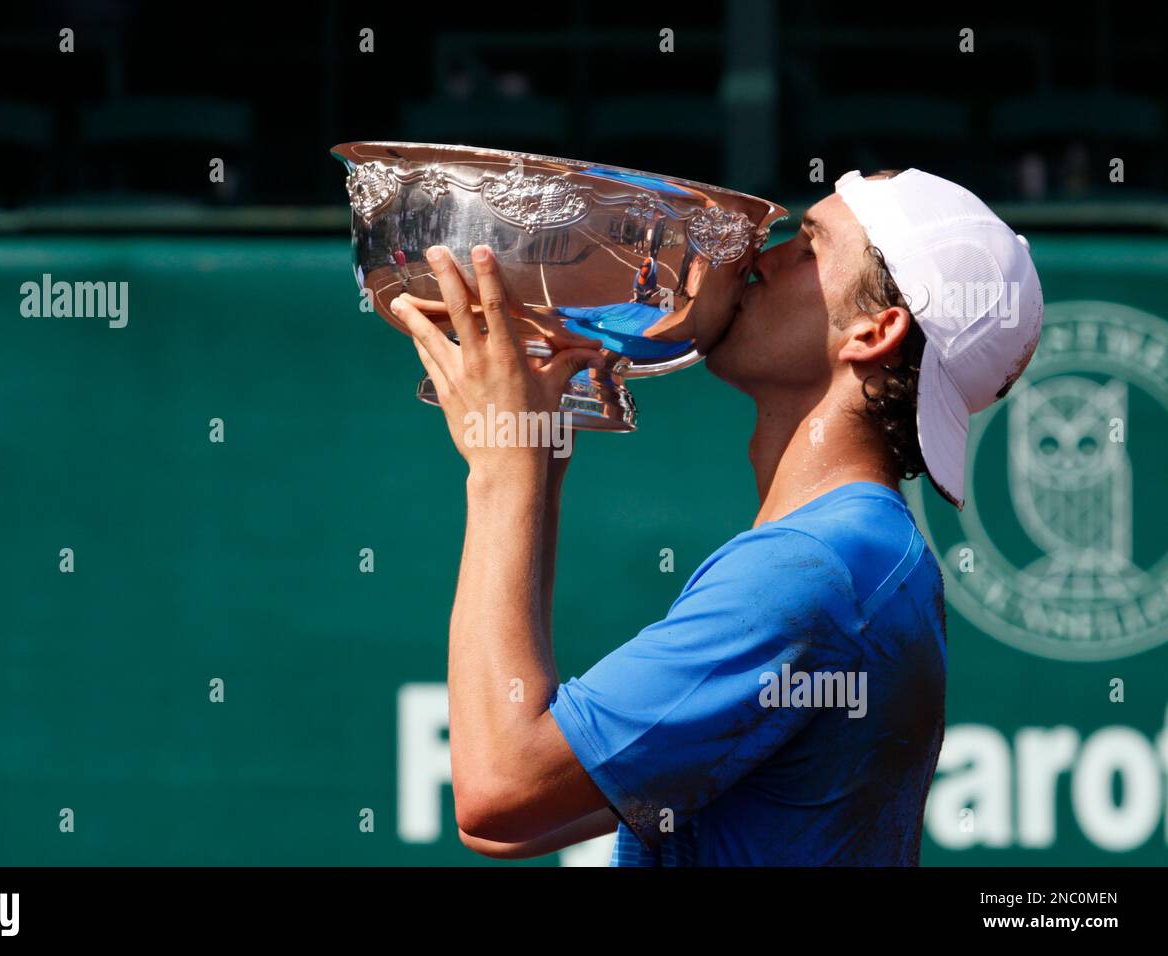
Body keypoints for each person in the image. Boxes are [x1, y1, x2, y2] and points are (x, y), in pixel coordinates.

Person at [388, 168, 1044, 865]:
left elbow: (499, 786)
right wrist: (538, 458)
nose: (756, 259)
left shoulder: (812, 573)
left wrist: (500, 469)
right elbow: (512, 820)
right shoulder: (866, 555)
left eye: (806, 247)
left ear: (873, 331)